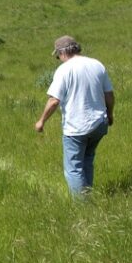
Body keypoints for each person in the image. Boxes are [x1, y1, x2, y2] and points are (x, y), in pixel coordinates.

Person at [34, 36, 115, 196]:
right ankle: (88, 194)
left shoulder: (64, 70)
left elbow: (54, 101)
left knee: (74, 168)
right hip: (99, 123)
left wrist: (41, 121)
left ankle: (82, 206)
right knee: (87, 160)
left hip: (76, 128)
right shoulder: (97, 64)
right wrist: (110, 114)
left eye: (58, 56)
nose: (59, 59)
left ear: (62, 52)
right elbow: (109, 94)